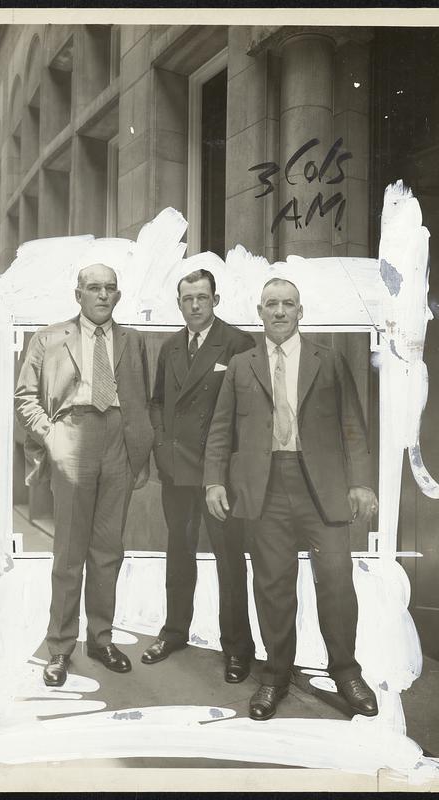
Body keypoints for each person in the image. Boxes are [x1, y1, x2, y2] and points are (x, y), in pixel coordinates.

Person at [204, 277, 379, 721]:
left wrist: (360, 482)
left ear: (301, 312)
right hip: (265, 488)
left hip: (322, 486)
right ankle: (275, 676)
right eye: (271, 305)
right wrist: (214, 481)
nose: (279, 312)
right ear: (259, 313)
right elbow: (221, 429)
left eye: (288, 304)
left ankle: (346, 672)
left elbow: (353, 426)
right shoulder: (241, 366)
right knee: (273, 586)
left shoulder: (330, 360)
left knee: (337, 582)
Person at [15, 263, 154, 687]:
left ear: (118, 295)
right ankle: (60, 647)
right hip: (72, 435)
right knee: (70, 550)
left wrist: (139, 454)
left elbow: (142, 400)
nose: (103, 295)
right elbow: (25, 397)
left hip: (119, 442)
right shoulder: (49, 337)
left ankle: (101, 638)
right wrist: (51, 434)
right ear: (78, 294)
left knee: (108, 549)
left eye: (110, 288)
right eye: (94, 288)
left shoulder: (133, 340)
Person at [141, 269, 256, 683]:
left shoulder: (239, 342)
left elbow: (248, 411)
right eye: (187, 298)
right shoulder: (171, 346)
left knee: (229, 560)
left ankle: (238, 648)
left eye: (202, 298)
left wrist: (224, 470)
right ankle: (174, 632)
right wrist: (161, 441)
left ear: (216, 300)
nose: (195, 305)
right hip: (176, 472)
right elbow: (157, 402)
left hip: (218, 475)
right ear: (179, 304)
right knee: (178, 553)